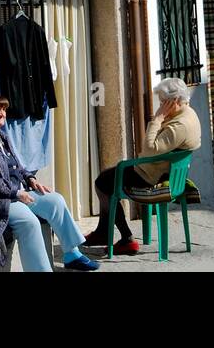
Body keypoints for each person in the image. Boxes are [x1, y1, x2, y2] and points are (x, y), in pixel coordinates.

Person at [0, 92, 99, 272]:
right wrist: (16, 193)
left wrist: (30, 178)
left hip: (18, 193)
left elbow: (18, 165)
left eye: (4, 109)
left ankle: (72, 255)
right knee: (29, 221)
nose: (2, 113)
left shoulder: (1, 135)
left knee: (55, 201)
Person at [84, 77, 201, 254]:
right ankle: (102, 232)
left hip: (150, 177)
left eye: (163, 102)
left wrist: (157, 119)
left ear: (175, 101)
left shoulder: (180, 125)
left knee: (103, 183)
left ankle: (126, 239)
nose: (160, 106)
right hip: (161, 171)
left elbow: (149, 148)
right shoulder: (189, 113)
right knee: (107, 177)